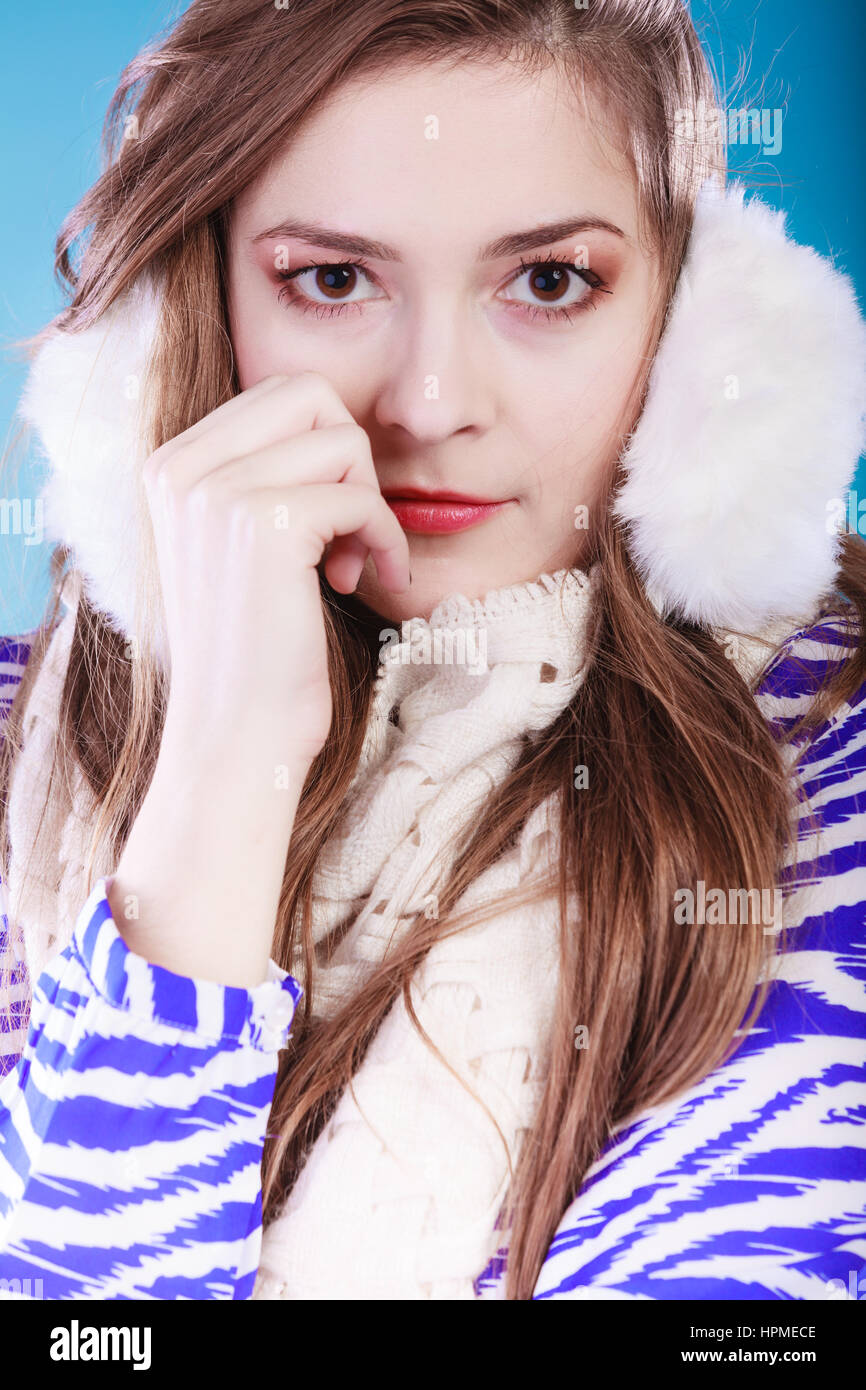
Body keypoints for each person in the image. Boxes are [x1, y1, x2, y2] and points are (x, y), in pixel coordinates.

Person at [1, 0, 865, 1302]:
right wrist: (225, 758)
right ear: (194, 299)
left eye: (549, 281)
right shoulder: (28, 744)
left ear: (700, 317)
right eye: (333, 280)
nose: (430, 404)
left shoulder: (834, 759)